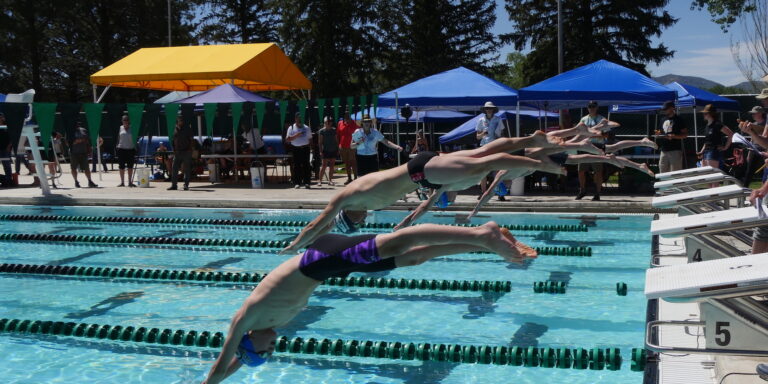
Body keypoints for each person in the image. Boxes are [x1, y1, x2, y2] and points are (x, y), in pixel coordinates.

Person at [203, 222, 536, 384]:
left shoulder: (245, 320)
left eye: (265, 351)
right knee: (412, 259)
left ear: (246, 343)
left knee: (397, 243)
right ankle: (482, 245)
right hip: (331, 268)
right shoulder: (270, 326)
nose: (272, 348)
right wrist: (249, 361)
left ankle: (482, 233)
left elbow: (221, 366)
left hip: (320, 259)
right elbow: (243, 360)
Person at [281, 131, 568, 254]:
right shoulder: (362, 201)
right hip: (424, 172)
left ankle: (541, 162)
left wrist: (296, 244)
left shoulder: (346, 197)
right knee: (484, 152)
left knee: (487, 163)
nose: (363, 221)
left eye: (357, 222)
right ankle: (533, 140)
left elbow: (318, 223)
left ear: (348, 215)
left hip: (421, 172)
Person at [475, 102, 505, 199]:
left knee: (497, 171)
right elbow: (477, 137)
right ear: (485, 109)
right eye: (487, 108)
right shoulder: (481, 120)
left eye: (490, 108)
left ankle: (500, 194)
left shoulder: (498, 119)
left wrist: (499, 137)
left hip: (495, 147)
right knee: (483, 171)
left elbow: (502, 134)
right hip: (484, 147)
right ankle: (483, 192)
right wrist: (483, 133)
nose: (489, 109)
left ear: (493, 109)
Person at [698, 104, 733, 175]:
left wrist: (725, 147)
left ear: (711, 114)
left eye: (705, 113)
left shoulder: (717, 124)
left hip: (714, 151)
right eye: (703, 113)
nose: (703, 115)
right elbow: (707, 141)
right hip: (706, 152)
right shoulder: (707, 125)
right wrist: (701, 152)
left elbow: (731, 134)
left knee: (713, 176)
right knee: (706, 176)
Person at [655, 101, 688, 173]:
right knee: (662, 173)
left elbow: (685, 134)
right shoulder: (662, 119)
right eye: (664, 109)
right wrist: (658, 134)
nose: (664, 110)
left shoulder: (679, 119)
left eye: (666, 109)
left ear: (672, 108)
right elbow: (661, 131)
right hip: (663, 150)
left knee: (675, 174)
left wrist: (674, 136)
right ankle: (663, 184)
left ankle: (677, 184)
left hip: (675, 150)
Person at [286, 113, 312, 189]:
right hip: (296, 148)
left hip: (305, 148)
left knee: (306, 166)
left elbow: (310, 139)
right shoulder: (291, 128)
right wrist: (297, 135)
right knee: (297, 166)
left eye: (301, 118)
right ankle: (297, 183)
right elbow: (287, 139)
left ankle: (307, 182)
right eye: (298, 118)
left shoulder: (307, 128)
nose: (300, 120)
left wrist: (311, 149)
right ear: (295, 119)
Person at [168, 115, 194, 191]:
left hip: (186, 151)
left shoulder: (187, 129)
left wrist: (190, 149)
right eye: (179, 120)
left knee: (186, 169)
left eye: (181, 120)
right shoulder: (175, 129)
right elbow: (173, 140)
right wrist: (173, 150)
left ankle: (186, 185)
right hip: (177, 152)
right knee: (174, 168)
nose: (180, 122)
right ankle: (174, 185)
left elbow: (192, 140)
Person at [68, 122, 97, 188]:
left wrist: (89, 149)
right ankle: (76, 182)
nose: (77, 125)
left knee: (87, 168)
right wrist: (76, 142)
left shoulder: (83, 130)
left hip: (83, 152)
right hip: (74, 153)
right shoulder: (69, 130)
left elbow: (87, 140)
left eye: (78, 123)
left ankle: (90, 181)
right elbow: (67, 143)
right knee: (73, 168)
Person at [337, 112, 358, 184]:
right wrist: (338, 145)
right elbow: (338, 135)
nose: (346, 116)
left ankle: (355, 178)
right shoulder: (340, 123)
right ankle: (349, 178)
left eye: (348, 114)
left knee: (353, 162)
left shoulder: (354, 123)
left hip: (351, 146)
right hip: (342, 146)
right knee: (346, 163)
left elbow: (358, 134)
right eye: (345, 114)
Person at [317, 116, 338, 186]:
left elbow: (336, 140)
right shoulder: (321, 131)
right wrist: (320, 151)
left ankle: (330, 180)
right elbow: (320, 142)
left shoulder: (334, 130)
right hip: (325, 150)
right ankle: (320, 181)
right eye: (328, 122)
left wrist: (337, 149)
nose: (329, 123)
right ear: (325, 122)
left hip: (333, 149)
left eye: (330, 122)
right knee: (323, 166)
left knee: (332, 166)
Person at [116, 115, 137, 187]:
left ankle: (130, 182)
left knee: (130, 166)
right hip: (121, 149)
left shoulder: (132, 128)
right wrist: (117, 145)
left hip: (130, 149)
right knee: (121, 166)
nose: (125, 121)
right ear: (122, 121)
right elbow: (118, 137)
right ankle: (122, 182)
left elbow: (135, 138)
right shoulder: (120, 128)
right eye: (124, 120)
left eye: (126, 120)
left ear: (129, 121)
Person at [0, 114, 12, 184]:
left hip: (6, 148)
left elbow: (12, 138)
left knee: (6, 164)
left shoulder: (7, 126)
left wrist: (9, 146)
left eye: (1, 117)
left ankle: (9, 179)